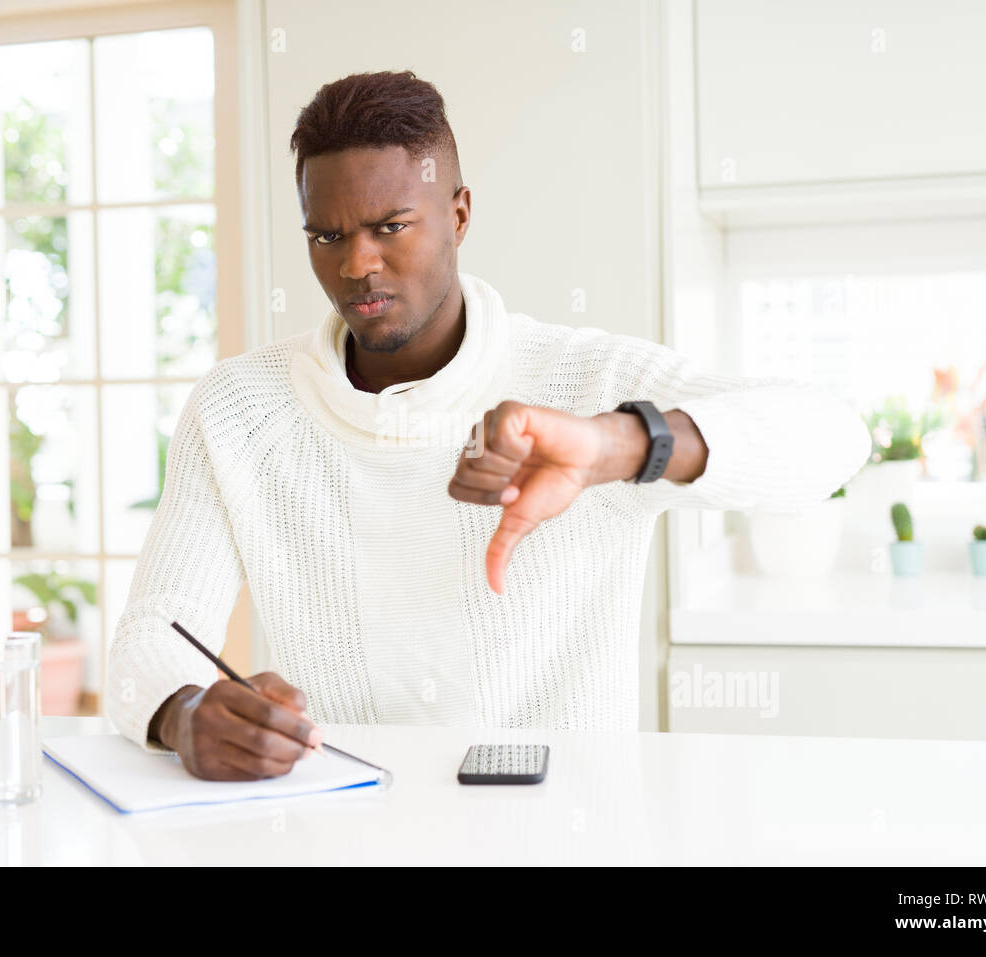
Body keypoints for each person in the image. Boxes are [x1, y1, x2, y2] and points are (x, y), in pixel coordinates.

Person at [106, 70, 871, 781]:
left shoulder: (590, 381)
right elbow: (152, 635)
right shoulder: (240, 409)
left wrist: (617, 443)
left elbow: (836, 437)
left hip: (570, 832)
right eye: (326, 235)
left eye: (391, 225)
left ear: (459, 214)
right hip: (346, 832)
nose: (355, 264)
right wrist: (184, 713)